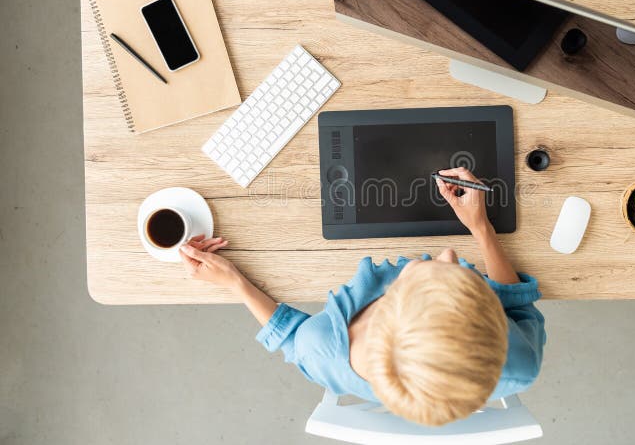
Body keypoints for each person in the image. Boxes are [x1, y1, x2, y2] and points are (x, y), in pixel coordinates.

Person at [179, 168, 545, 426]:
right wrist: (481, 228)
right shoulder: (517, 364)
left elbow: (290, 337)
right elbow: (515, 304)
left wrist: (235, 282)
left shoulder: (321, 346)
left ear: (385, 299)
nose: (450, 254)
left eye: (430, 267)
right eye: (469, 277)